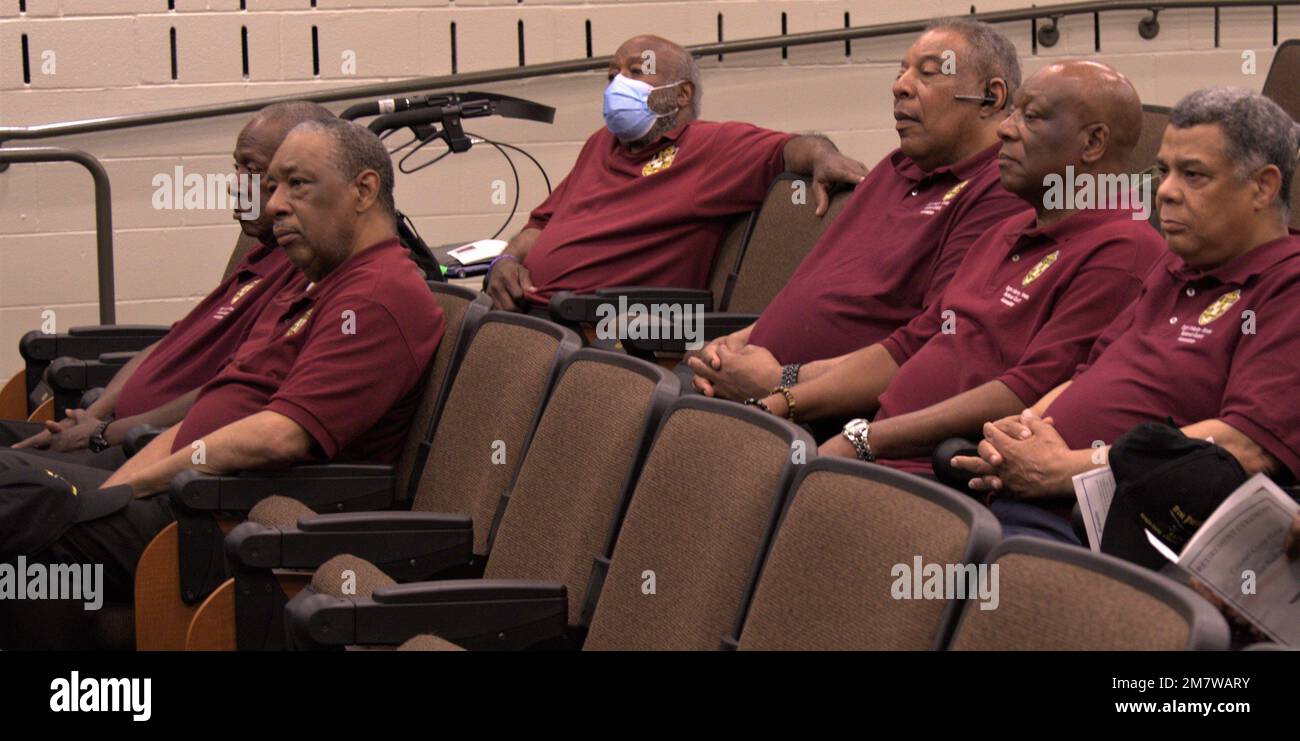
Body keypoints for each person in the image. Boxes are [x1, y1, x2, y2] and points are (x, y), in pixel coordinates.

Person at [0, 119, 446, 649]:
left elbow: (279, 435)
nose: (274, 203)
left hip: (229, 520)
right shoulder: (322, 284)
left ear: (364, 190)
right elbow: (211, 415)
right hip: (191, 498)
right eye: (273, 186)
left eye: (296, 185)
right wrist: (118, 487)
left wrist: (130, 488)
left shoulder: (375, 295)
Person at [746, 62, 1164, 542]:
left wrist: (862, 439)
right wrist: (782, 401)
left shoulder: (1123, 252)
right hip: (876, 453)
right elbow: (911, 344)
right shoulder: (1005, 231)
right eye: (1013, 114)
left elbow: (1027, 390)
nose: (1005, 129)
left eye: (1032, 118)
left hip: (943, 482)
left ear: (1091, 144)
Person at [952, 88, 1300, 543]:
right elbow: (1086, 377)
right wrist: (1016, 438)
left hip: (1107, 531)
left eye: (1193, 175)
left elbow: (1242, 445)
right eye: (1163, 171)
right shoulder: (1176, 265)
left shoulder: (1287, 285)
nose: (1167, 192)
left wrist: (1064, 471)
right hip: (1024, 499)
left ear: (1263, 186)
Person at [687, 18, 1031, 403]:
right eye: (901, 72)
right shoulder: (895, 168)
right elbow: (810, 293)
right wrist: (731, 348)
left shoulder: (1000, 191)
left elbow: (934, 348)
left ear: (991, 96)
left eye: (928, 74)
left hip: (819, 411)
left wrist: (784, 380)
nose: (900, 86)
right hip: (756, 382)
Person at [1, 102, 338, 468]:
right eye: (236, 168)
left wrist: (101, 433)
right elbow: (171, 342)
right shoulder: (260, 252)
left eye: (253, 170)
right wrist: (93, 416)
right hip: (113, 432)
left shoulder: (306, 270)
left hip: (154, 449)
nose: (234, 187)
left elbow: (232, 393)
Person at [484, 33, 869, 312]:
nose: (618, 84)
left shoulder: (708, 146)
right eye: (612, 75)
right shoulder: (600, 143)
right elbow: (541, 225)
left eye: (637, 72)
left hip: (601, 330)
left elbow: (789, 149)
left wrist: (823, 155)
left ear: (682, 94)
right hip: (530, 312)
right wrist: (505, 261)